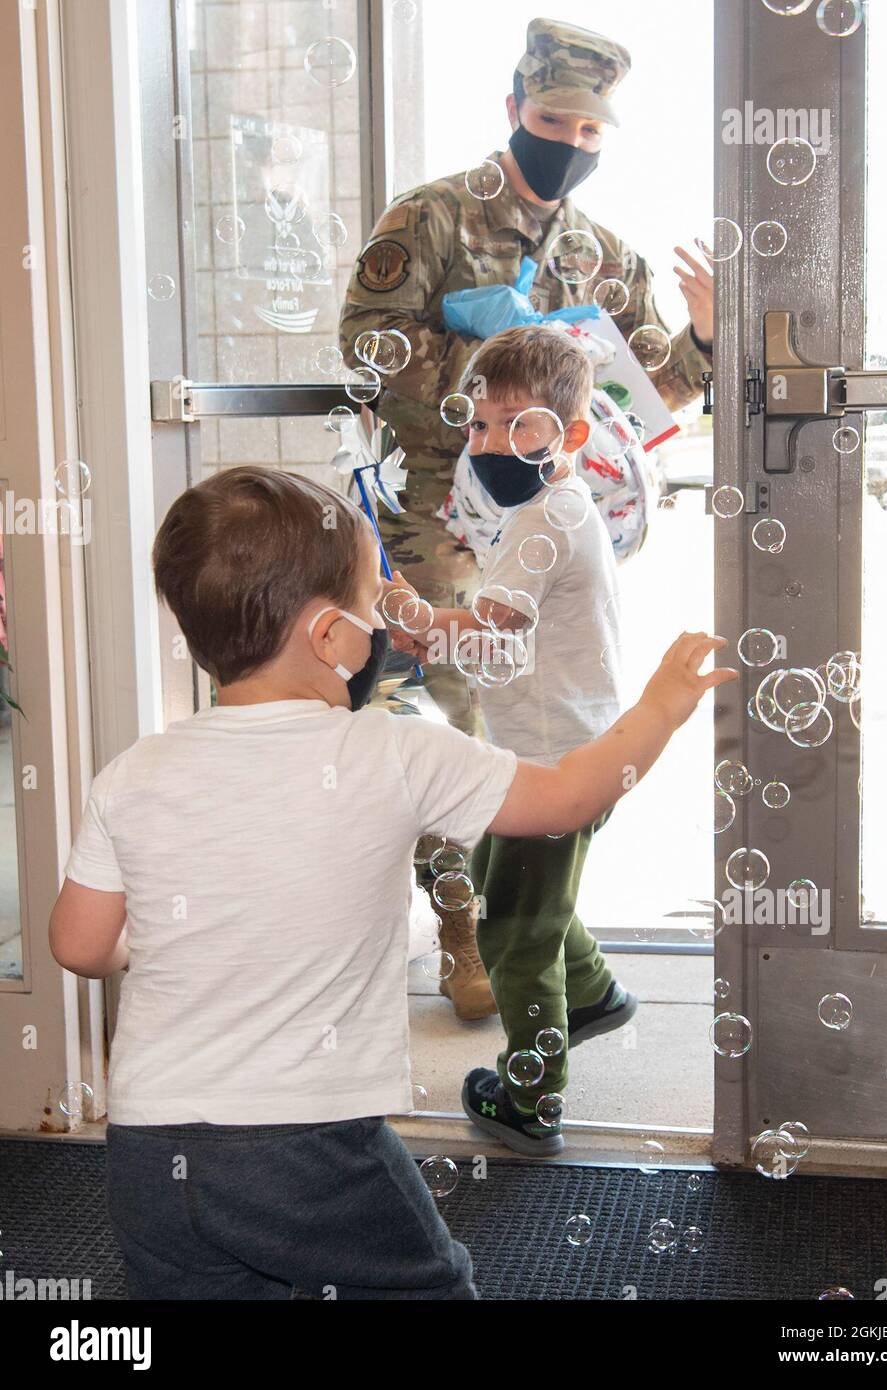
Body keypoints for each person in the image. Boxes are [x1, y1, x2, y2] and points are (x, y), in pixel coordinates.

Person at [48, 465, 735, 1300]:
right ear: (332, 639)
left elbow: (80, 945)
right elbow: (572, 794)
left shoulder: (134, 771)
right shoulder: (393, 752)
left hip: (149, 1150)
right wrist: (662, 703)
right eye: (375, 607)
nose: (386, 627)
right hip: (310, 1148)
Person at [339, 15, 713, 1017]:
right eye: (556, 120)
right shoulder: (430, 219)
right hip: (444, 523)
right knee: (466, 723)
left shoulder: (603, 255)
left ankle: (546, 937)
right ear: (515, 108)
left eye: (593, 132)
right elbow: (364, 344)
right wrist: (481, 363)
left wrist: (707, 337)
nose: (573, 144)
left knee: (551, 734)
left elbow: (649, 393)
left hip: (551, 528)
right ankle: (467, 932)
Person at [386, 324, 640, 1154]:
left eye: (517, 424)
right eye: (480, 425)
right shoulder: (543, 501)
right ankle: (593, 994)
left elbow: (492, 626)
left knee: (513, 931)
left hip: (557, 762)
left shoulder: (543, 520)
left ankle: (534, 1099)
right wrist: (435, 630)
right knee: (512, 889)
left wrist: (419, 619)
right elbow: (500, 639)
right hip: (556, 749)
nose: (491, 442)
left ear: (568, 435)